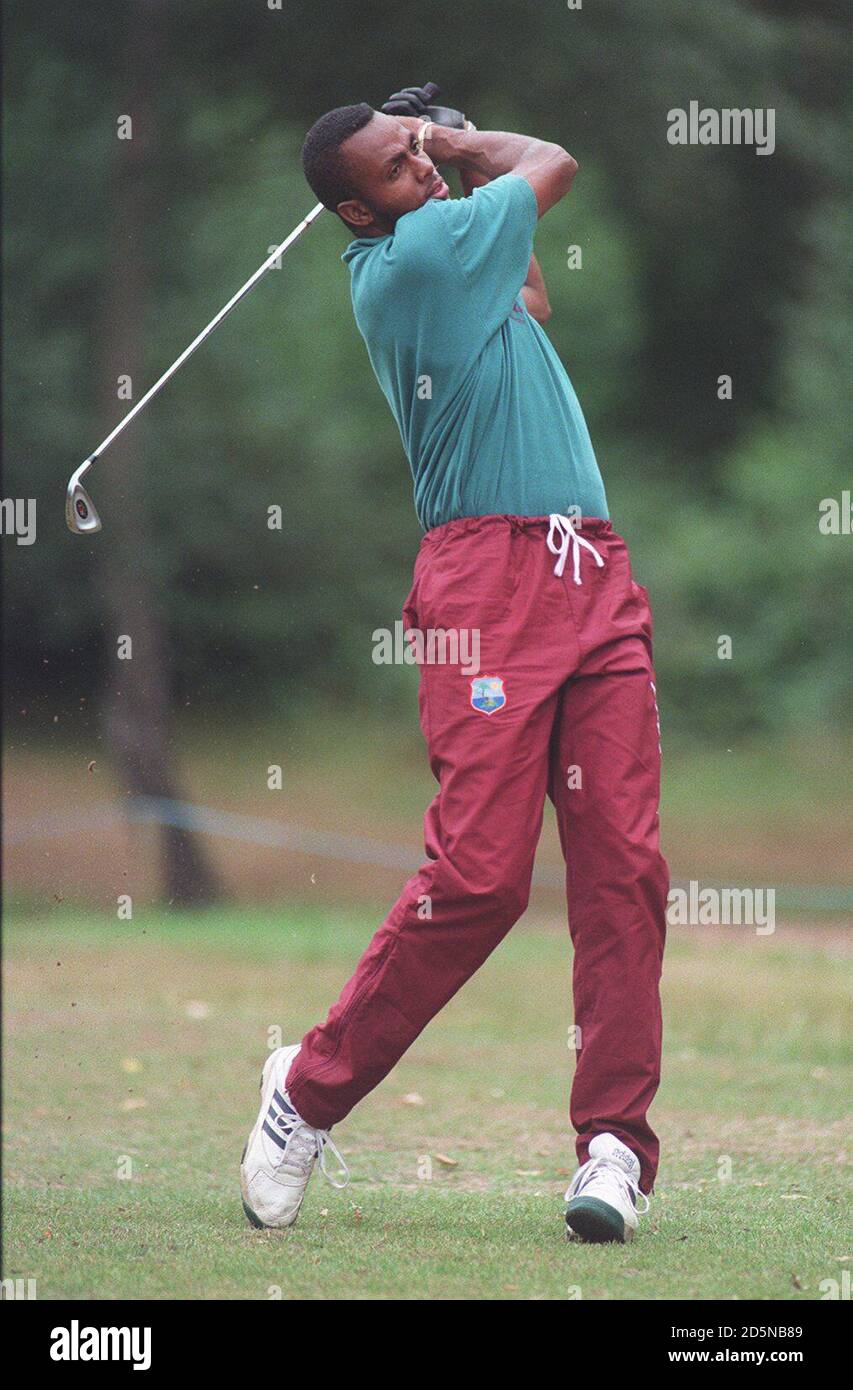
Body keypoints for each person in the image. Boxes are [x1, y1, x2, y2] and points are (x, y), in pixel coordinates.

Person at [241, 85, 668, 1244]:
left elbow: (531, 291)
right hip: (485, 584)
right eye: (397, 163)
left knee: (625, 866)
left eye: (419, 149)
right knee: (480, 878)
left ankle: (614, 1146)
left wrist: (453, 160)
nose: (422, 167)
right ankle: (306, 1089)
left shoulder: (452, 245)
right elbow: (559, 158)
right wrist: (465, 137)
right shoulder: (413, 263)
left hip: (591, 567)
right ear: (353, 212)